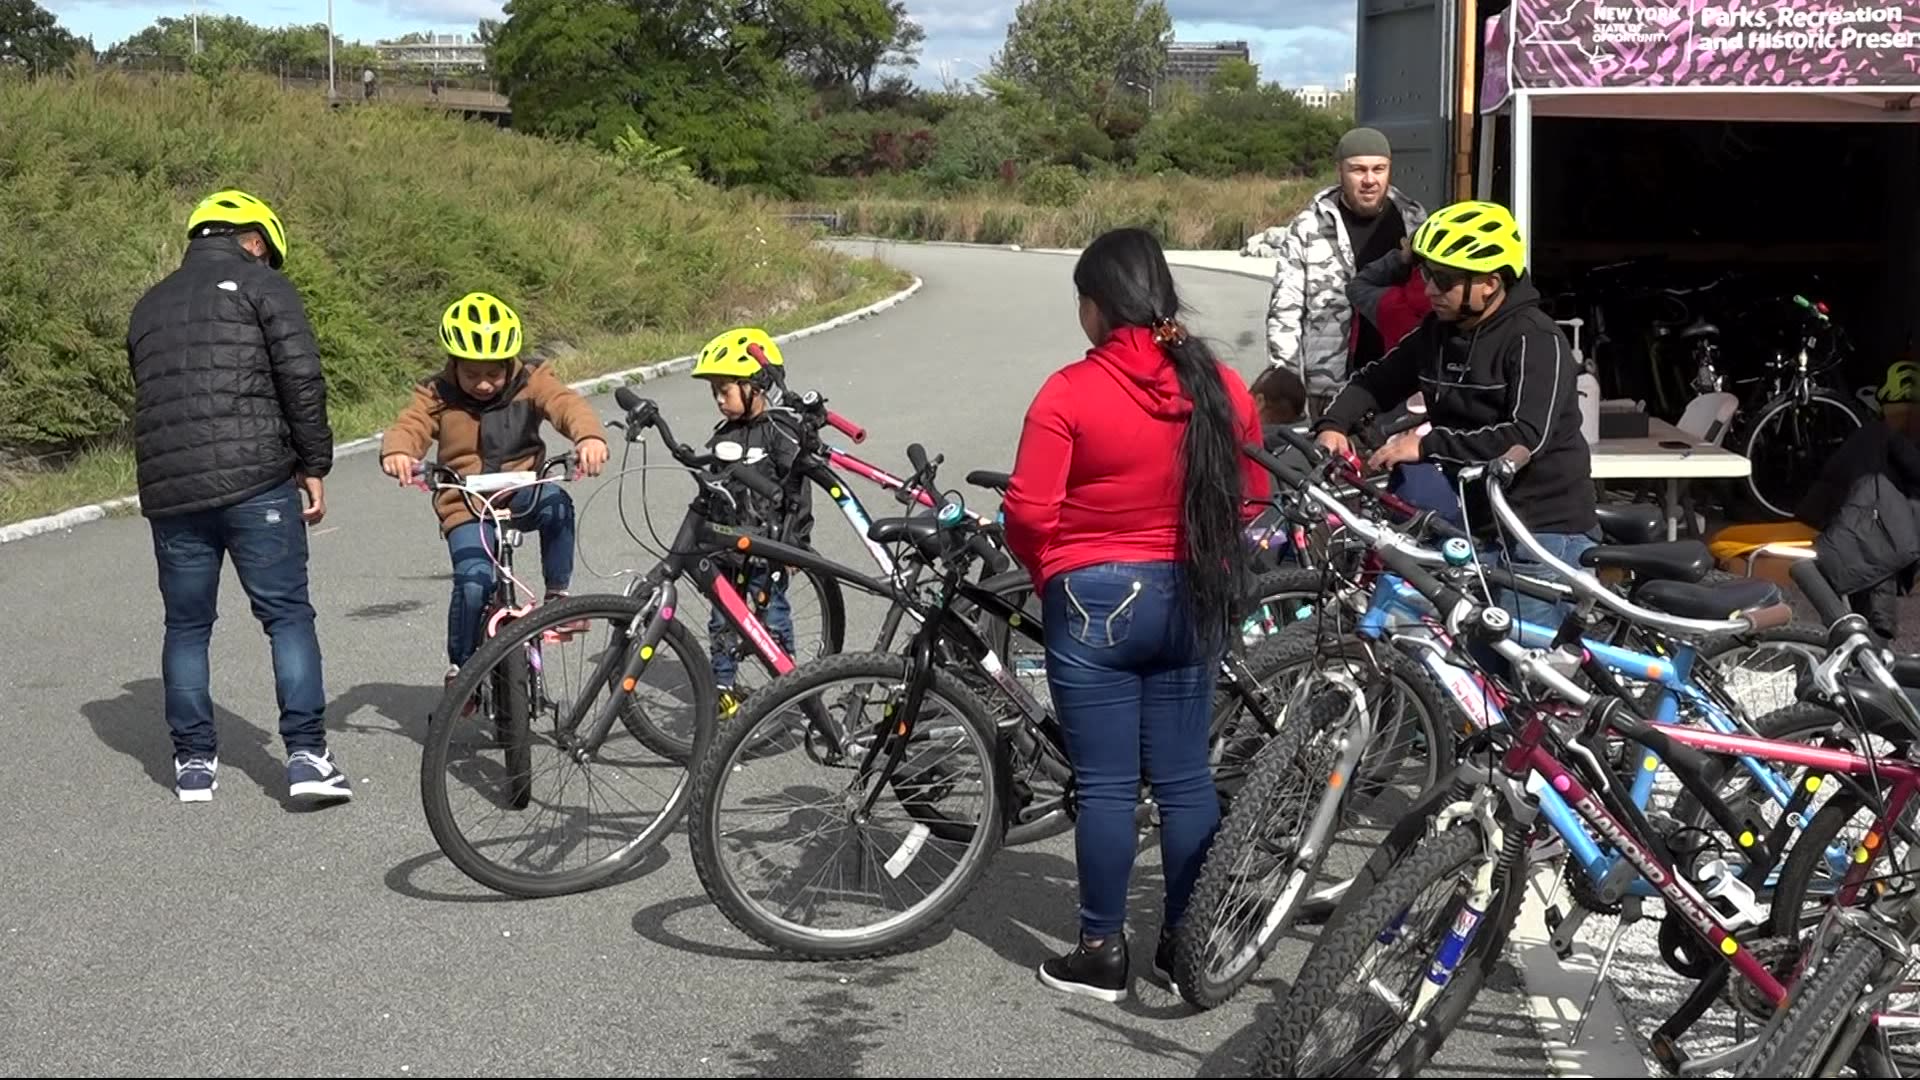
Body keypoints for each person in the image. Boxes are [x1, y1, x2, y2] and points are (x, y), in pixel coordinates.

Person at [1000, 227, 1269, 1003]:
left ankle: (1099, 950)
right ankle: (1181, 944)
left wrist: (1049, 570)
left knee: (1109, 785)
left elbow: (1028, 510)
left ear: (1096, 307)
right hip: (1193, 592)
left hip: (1094, 599)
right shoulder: (1220, 386)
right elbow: (1256, 495)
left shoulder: (1069, 392)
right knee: (1187, 779)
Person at [126, 188, 347, 804]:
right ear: (254, 239)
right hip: (257, 483)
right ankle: (307, 757)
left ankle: (194, 765)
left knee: (187, 626)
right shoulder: (262, 287)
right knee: (286, 616)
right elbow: (300, 378)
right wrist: (313, 463)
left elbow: (152, 393)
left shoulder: (148, 305)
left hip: (172, 492)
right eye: (267, 253)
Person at [1311, 200, 1595, 628]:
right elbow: (1378, 379)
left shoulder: (1536, 339)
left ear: (1491, 283)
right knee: (1476, 666)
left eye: (1443, 279)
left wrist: (1423, 446)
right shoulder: (1439, 334)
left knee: (1528, 678)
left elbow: (1525, 436)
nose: (1429, 290)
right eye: (1426, 274)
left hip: (1544, 532)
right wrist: (1335, 424)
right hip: (1481, 523)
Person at [378, 292, 609, 685]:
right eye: (472, 374)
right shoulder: (436, 393)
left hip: (523, 490)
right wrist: (399, 452)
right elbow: (410, 426)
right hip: (465, 503)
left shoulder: (532, 380)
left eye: (493, 373)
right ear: (454, 365)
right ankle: (463, 670)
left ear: (508, 364)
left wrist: (588, 438)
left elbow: (566, 404)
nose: (484, 384)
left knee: (557, 505)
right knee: (474, 580)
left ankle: (557, 599)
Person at [688, 327, 813, 714]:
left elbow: (798, 493)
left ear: (754, 386)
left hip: (767, 549)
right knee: (722, 621)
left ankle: (789, 688)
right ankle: (723, 689)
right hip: (727, 548)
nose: (718, 401)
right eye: (714, 392)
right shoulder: (723, 434)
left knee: (772, 619)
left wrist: (796, 544)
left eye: (724, 391)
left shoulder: (779, 433)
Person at [1265, 127, 1428, 419]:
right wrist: (1286, 382)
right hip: (1331, 385)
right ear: (1339, 170)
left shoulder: (1414, 220)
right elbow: (1285, 311)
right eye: (1358, 170)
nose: (1369, 180)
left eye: (1379, 169)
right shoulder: (1308, 227)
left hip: (1400, 382)